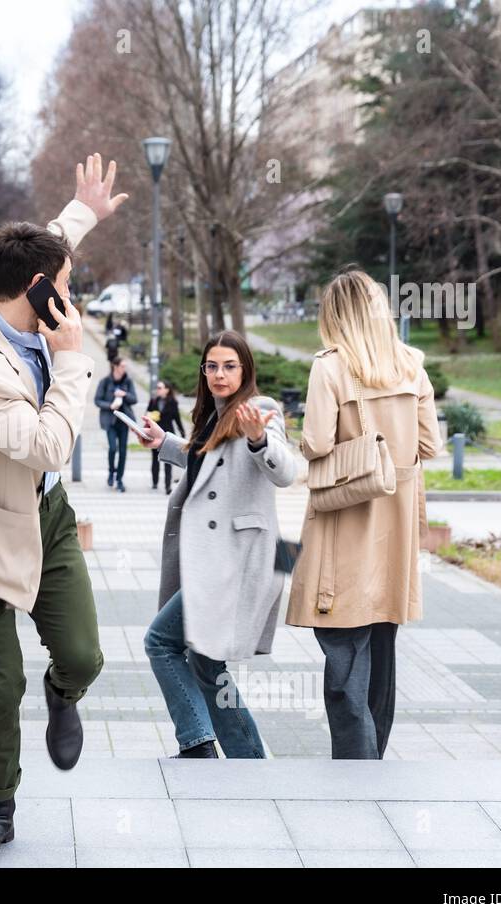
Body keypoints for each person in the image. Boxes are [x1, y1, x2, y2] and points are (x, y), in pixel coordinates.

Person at [0, 153, 128, 862]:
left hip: (43, 517)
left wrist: (84, 212)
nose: (72, 298)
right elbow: (46, 445)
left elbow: (44, 241)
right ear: (39, 294)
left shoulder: (8, 286)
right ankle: (0, 804)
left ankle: (63, 692)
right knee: (0, 682)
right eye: (65, 288)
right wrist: (72, 359)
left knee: (83, 655)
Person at [285, 268, 440, 760]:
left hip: (343, 526)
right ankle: (373, 757)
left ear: (335, 316)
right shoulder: (411, 364)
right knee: (381, 653)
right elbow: (430, 444)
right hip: (393, 539)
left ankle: (358, 767)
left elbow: (316, 444)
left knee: (343, 654)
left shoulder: (329, 368)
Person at [134, 330, 296, 758]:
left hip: (239, 563)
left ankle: (198, 743)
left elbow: (286, 470)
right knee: (206, 662)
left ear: (245, 370)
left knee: (160, 642)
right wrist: (163, 443)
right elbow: (208, 460)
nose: (219, 374)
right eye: (211, 366)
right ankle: (249, 760)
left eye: (229, 366)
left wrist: (260, 440)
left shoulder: (260, 410)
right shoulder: (212, 416)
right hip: (215, 564)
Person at [94, 357, 136, 491]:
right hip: (110, 421)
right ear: (115, 367)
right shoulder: (105, 382)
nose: (125, 369)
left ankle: (119, 479)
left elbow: (134, 399)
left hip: (124, 421)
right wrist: (110, 405)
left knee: (123, 451)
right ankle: (111, 472)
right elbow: (97, 400)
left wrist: (124, 394)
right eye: (123, 366)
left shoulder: (128, 382)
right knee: (113, 448)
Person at [145, 379, 184, 493]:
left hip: (168, 435)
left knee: (168, 461)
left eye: (160, 388)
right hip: (155, 435)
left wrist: (182, 432)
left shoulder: (173, 403)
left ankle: (168, 486)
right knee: (154, 460)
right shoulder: (153, 401)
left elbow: (177, 418)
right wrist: (150, 416)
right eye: (157, 388)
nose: (157, 390)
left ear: (167, 390)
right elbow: (147, 414)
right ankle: (155, 482)